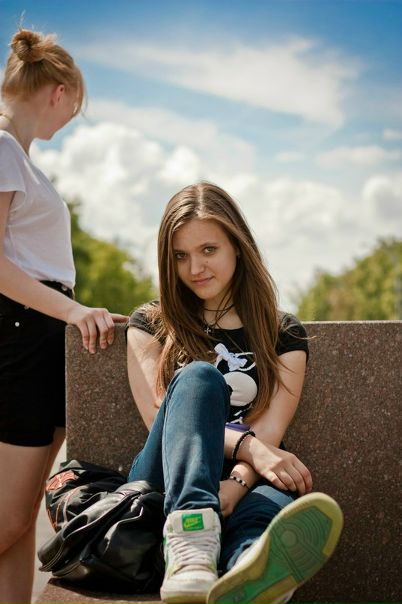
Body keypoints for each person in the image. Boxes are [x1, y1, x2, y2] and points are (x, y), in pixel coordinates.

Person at [126, 182, 343, 604]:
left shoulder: (282, 332)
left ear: (238, 248)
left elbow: (271, 431)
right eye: (180, 256)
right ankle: (191, 545)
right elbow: (161, 419)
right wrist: (251, 448)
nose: (195, 268)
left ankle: (249, 575)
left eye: (208, 250)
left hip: (248, 475)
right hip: (168, 476)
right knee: (199, 378)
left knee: (266, 506)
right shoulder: (150, 323)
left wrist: (239, 482)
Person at [0, 29, 127, 603]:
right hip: (23, 338)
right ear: (59, 91)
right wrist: (72, 309)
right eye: (76, 104)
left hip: (44, 335)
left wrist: (80, 315)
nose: (73, 116)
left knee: (21, 519)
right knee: (8, 517)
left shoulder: (19, 158)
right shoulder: (4, 149)